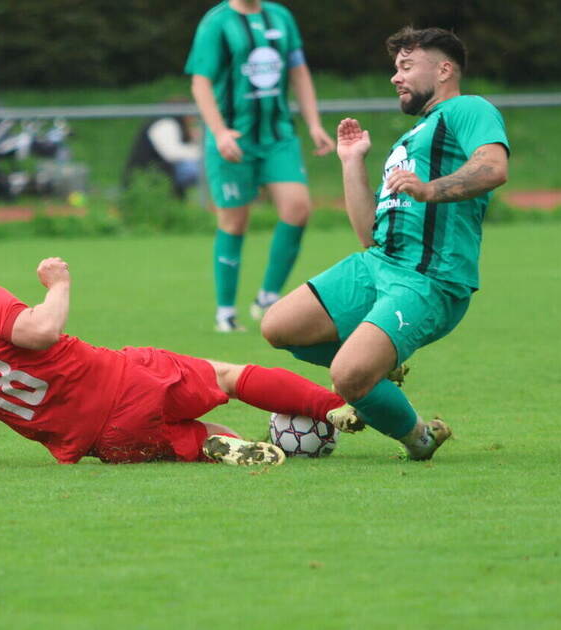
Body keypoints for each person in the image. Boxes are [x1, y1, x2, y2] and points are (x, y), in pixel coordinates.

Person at [259, 27, 510, 461]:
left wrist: (430, 189)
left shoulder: (468, 108)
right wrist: (351, 162)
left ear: (444, 70)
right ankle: (377, 365)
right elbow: (368, 234)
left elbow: (493, 167)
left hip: (428, 279)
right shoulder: (410, 138)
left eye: (407, 66)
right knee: (278, 326)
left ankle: (419, 437)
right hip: (379, 263)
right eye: (396, 68)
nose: (396, 76)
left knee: (348, 377)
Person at [0, 237, 352, 466]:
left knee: (202, 436)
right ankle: (336, 406)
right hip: (128, 381)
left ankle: (214, 443)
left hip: (108, 441)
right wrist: (58, 284)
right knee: (228, 377)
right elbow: (43, 330)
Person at [185, 0, 335, 332]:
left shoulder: (280, 17)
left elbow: (299, 72)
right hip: (233, 137)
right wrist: (219, 132)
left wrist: (314, 123)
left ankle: (267, 297)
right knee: (234, 222)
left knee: (298, 209)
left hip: (277, 136)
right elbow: (200, 82)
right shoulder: (216, 23)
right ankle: (226, 313)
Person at [122, 109, 203, 201]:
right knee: (196, 167)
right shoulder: (166, 124)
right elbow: (172, 154)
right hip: (150, 173)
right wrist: (202, 152)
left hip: (161, 171)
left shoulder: (171, 124)